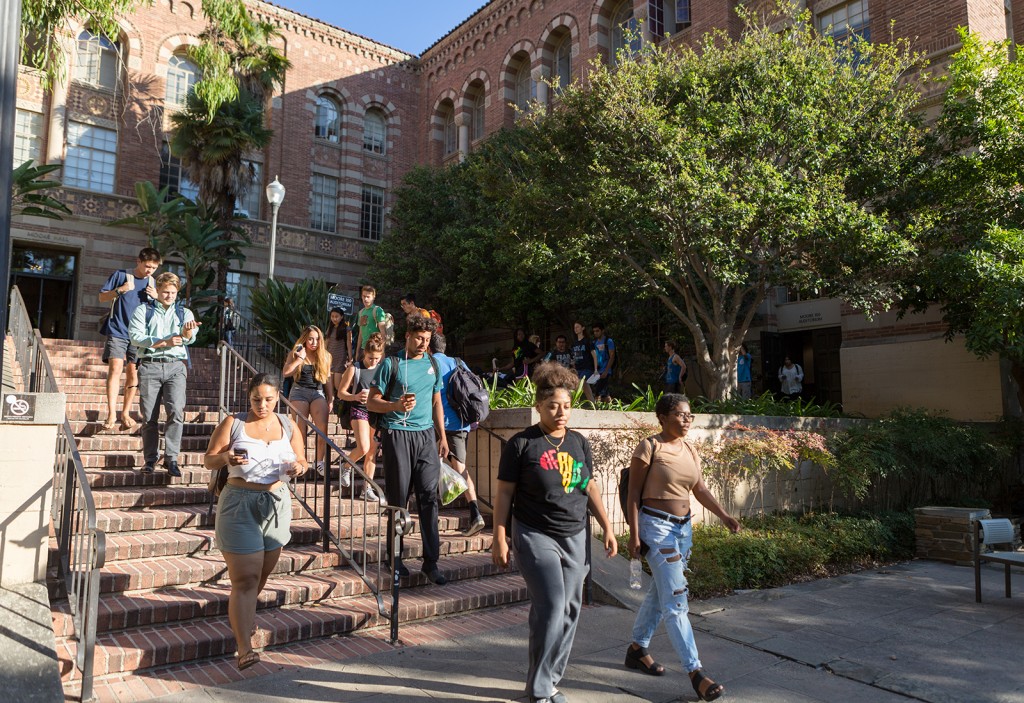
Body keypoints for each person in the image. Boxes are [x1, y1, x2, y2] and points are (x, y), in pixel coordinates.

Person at [492, 361, 617, 703]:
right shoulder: (521, 445)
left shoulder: (579, 442)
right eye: (552, 406)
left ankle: (550, 680)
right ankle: (539, 690)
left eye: (566, 405)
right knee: (552, 605)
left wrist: (607, 526)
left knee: (571, 608)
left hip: (575, 532)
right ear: (539, 407)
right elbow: (504, 493)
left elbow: (589, 486)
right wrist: (499, 536)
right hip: (534, 533)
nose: (561, 412)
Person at [624, 393, 741, 702]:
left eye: (690, 415)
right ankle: (695, 673)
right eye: (680, 414)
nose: (687, 419)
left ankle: (636, 649)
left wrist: (724, 515)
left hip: (683, 529)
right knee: (676, 601)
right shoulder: (649, 447)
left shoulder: (689, 448)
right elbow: (633, 494)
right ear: (663, 417)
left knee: (660, 592)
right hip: (656, 528)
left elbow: (699, 488)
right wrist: (634, 535)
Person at [204, 373, 308, 671]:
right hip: (239, 503)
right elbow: (208, 459)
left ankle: (243, 618)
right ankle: (244, 648)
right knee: (246, 578)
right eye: (256, 399)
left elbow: (303, 460)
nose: (262, 405)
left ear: (278, 398)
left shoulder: (288, 425)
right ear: (248, 397)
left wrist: (299, 467)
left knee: (261, 574)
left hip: (276, 503)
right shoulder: (233, 423)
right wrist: (226, 458)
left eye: (269, 399)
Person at [366, 314, 449, 585]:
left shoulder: (433, 364)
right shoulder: (391, 364)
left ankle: (431, 563)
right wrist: (395, 406)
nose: (423, 343)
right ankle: (396, 559)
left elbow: (437, 401)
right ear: (408, 336)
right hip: (397, 434)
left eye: (427, 339)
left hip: (426, 437)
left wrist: (442, 436)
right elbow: (371, 403)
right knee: (398, 500)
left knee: (429, 498)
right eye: (419, 338)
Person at [128, 272, 198, 476]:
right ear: (157, 291)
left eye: (173, 292)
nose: (169, 296)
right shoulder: (144, 310)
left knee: (176, 412)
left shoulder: (185, 313)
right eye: (165, 292)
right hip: (150, 366)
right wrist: (165, 341)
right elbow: (135, 337)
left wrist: (186, 334)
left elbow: (190, 338)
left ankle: (171, 459)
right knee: (149, 417)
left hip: (176, 366)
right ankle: (150, 459)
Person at [98, 247, 161, 431]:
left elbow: (160, 311)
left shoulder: (153, 283)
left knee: (133, 373)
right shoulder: (121, 275)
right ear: (138, 261)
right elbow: (102, 297)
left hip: (139, 335)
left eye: (154, 268)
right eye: (147, 266)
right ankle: (111, 413)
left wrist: (156, 298)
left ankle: (125, 413)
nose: (150, 270)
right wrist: (121, 290)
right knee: (115, 369)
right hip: (117, 330)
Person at [430, 333, 486, 536]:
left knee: (432, 465)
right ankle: (474, 513)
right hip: (461, 424)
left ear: (429, 346)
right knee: (459, 467)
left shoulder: (429, 363)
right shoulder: (458, 362)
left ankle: (472, 514)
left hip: (438, 424)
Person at [335, 332, 387, 504]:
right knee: (364, 447)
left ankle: (367, 488)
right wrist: (356, 396)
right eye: (371, 358)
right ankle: (346, 466)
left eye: (377, 358)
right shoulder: (355, 368)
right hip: (358, 409)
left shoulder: (382, 369)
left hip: (376, 412)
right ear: (365, 353)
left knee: (372, 452)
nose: (373, 362)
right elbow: (341, 393)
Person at [282, 326, 334, 475]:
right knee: (300, 430)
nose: (314, 342)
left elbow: (328, 378)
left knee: (322, 429)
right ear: (305, 338)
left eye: (317, 339)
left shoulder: (325, 356)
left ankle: (319, 461)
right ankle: (300, 461)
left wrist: (331, 398)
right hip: (299, 392)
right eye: (310, 338)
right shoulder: (296, 353)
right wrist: (299, 359)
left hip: (317, 392)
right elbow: (286, 372)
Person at [325, 307, 351, 394]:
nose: (334, 319)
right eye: (332, 316)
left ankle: (342, 401)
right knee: (329, 386)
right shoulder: (330, 328)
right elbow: (326, 342)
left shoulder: (346, 329)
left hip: (340, 358)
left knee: (337, 385)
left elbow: (349, 344)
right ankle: (331, 404)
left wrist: (350, 358)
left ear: (342, 317)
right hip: (329, 358)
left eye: (336, 316)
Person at [571, 321, 598, 403]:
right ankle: (593, 404)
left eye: (578, 327)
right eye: (575, 327)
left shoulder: (588, 341)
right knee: (585, 386)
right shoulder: (574, 343)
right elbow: (575, 357)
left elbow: (594, 355)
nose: (576, 329)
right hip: (578, 368)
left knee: (578, 384)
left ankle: (575, 403)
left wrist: (596, 369)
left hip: (587, 368)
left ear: (583, 328)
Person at [355, 285, 387, 350]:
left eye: (368, 297)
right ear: (361, 296)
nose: (365, 299)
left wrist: (382, 351)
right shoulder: (361, 312)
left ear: (373, 297)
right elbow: (360, 333)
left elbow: (383, 333)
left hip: (375, 349)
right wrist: (357, 351)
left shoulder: (378, 310)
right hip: (363, 349)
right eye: (364, 296)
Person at [591, 322, 616, 403]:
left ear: (602, 331)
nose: (595, 333)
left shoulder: (608, 341)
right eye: (594, 331)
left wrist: (606, 371)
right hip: (597, 370)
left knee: (598, 392)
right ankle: (609, 406)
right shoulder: (594, 342)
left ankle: (597, 407)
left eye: (597, 331)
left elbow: (612, 356)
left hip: (605, 370)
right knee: (604, 392)